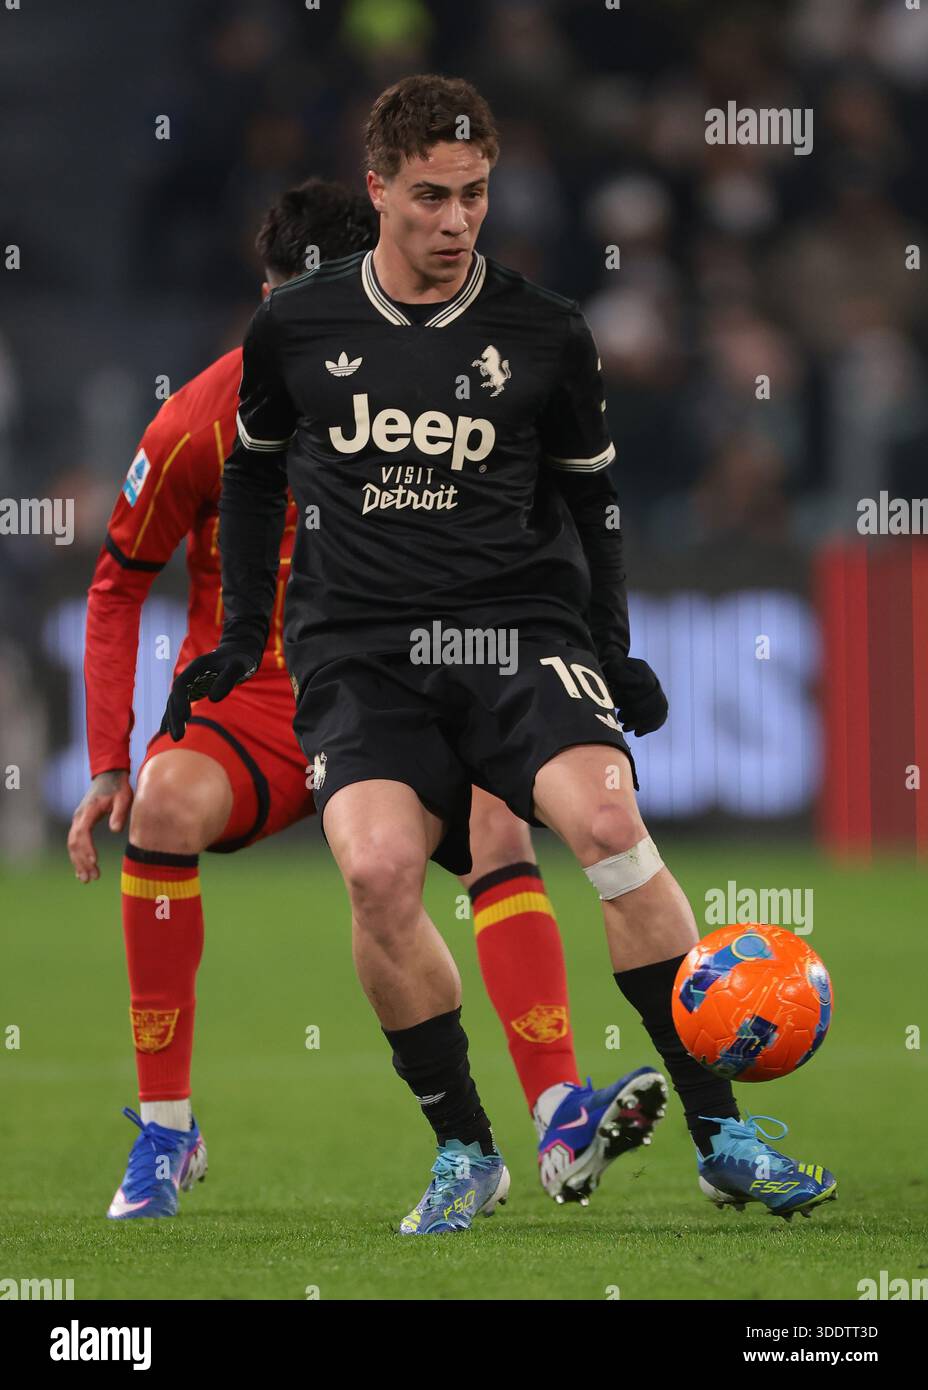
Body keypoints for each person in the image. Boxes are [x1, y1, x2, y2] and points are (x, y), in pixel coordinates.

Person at [165, 75, 836, 1234]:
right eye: (429, 196)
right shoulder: (298, 327)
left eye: (474, 195)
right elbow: (252, 471)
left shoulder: (545, 331)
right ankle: (467, 1149)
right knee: (376, 871)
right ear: (376, 189)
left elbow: (593, 502)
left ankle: (723, 1135)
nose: (454, 221)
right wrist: (238, 637)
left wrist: (611, 650)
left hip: (516, 634)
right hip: (360, 650)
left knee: (611, 826)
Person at [70, 176, 665, 1220]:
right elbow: (118, 578)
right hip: (259, 700)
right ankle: (165, 1131)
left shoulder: (436, 387)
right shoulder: (199, 420)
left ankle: (557, 1114)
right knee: (162, 806)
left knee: (494, 820)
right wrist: (109, 757)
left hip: (407, 674)